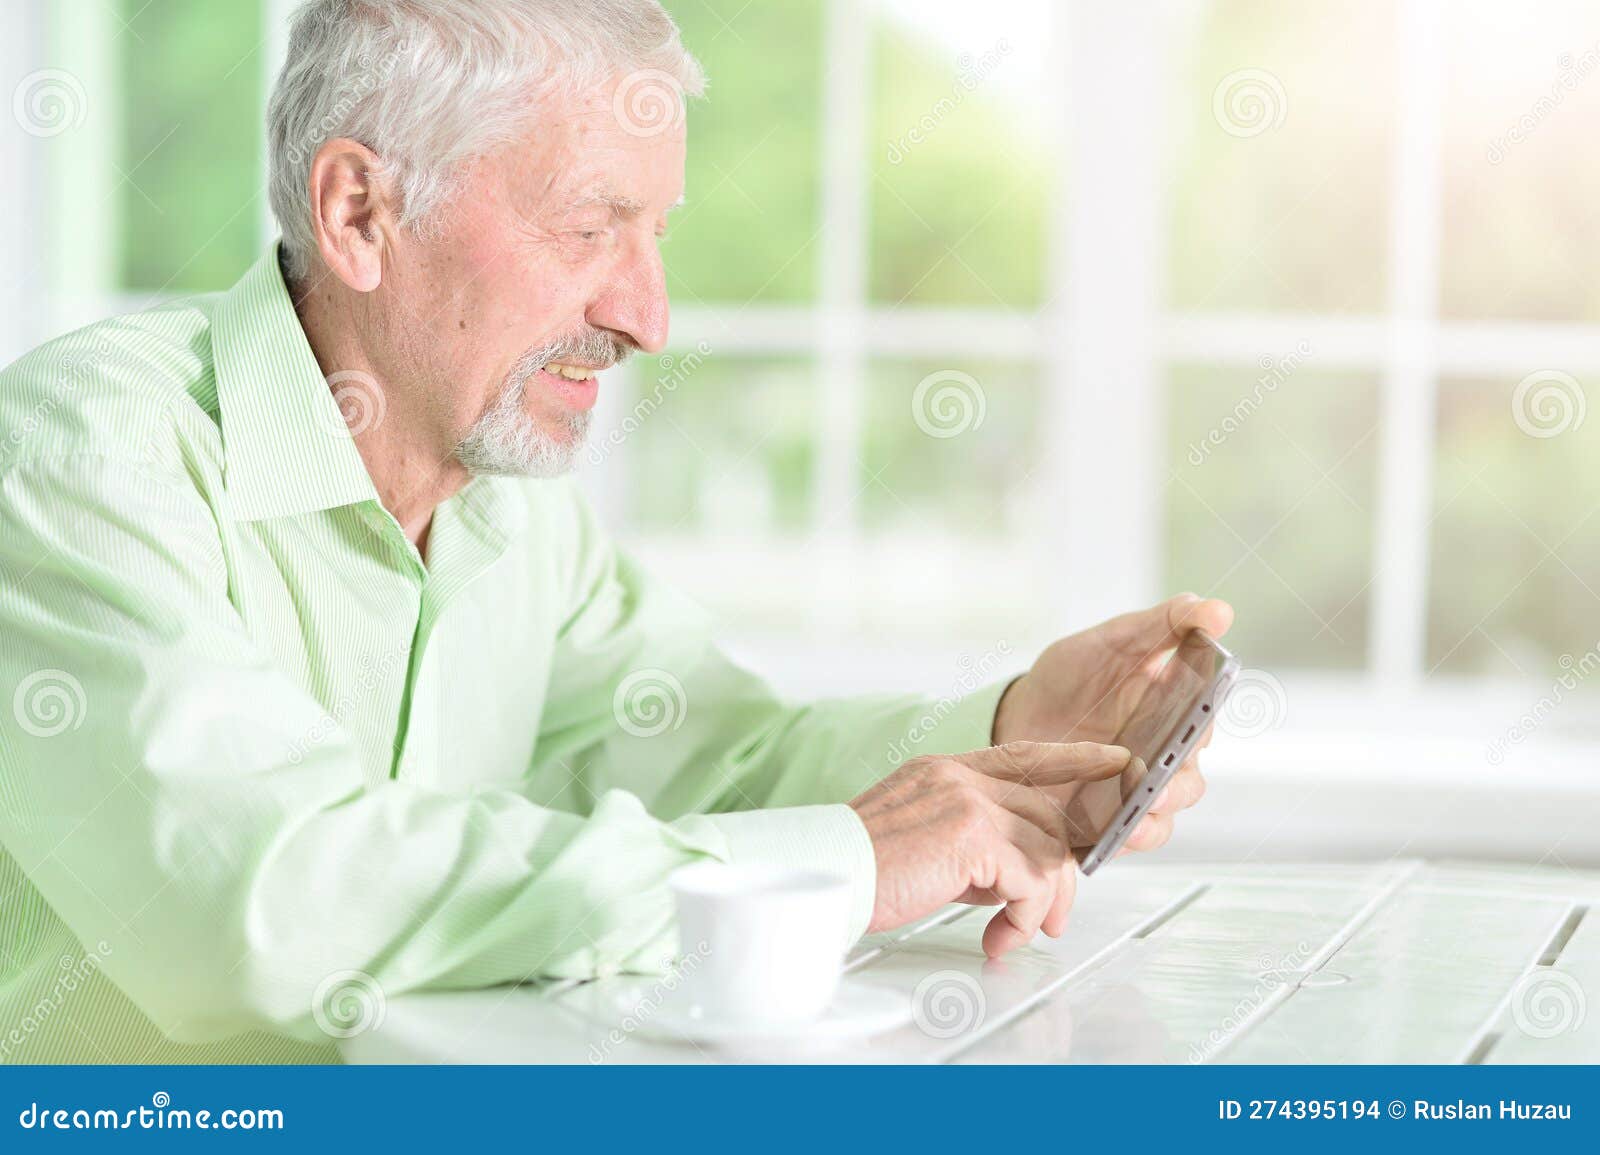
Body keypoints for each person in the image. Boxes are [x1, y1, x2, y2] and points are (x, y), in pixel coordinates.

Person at [0, 0, 1229, 1062]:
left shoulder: (510, 515)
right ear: (359, 213)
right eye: (590, 230)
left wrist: (1013, 743)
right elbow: (252, 899)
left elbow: (732, 764)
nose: (648, 316)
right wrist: (842, 865)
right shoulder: (84, 451)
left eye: (657, 236)